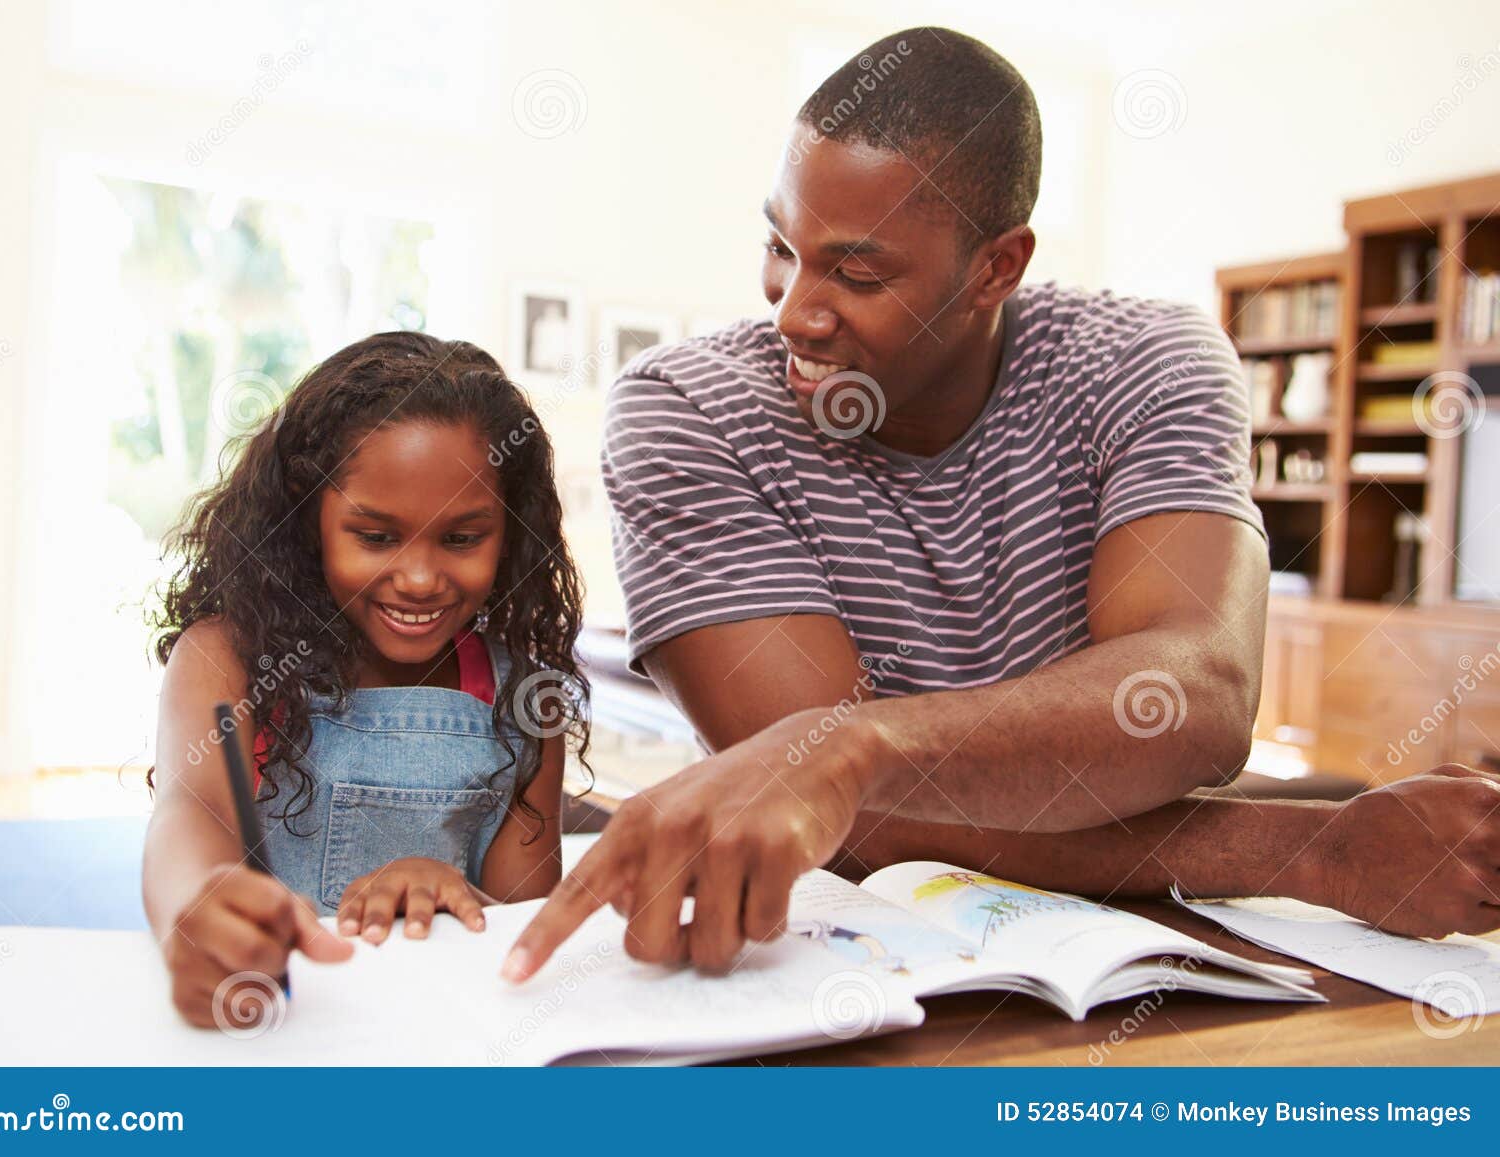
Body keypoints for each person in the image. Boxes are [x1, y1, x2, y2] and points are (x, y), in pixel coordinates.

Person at [501, 28, 1500, 982]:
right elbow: (849, 821)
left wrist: (858, 747)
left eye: (855, 271)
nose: (795, 310)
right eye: (780, 244)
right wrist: (1307, 851)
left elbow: (1195, 699)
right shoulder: (685, 409)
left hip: (1130, 956)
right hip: (837, 966)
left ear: (997, 267)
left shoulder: (1148, 361)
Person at [142, 332, 589, 1026]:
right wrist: (198, 904)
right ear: (306, 514)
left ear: (513, 528)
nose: (417, 578)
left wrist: (453, 902)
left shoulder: (526, 703)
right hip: (270, 1029)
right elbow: (188, 816)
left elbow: (526, 935)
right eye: (375, 536)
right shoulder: (223, 659)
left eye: (463, 538)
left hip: (439, 1040)